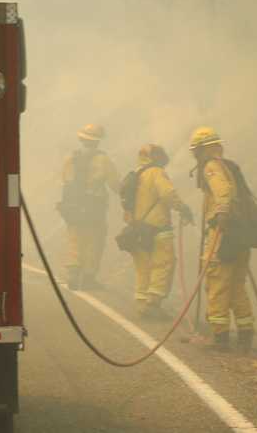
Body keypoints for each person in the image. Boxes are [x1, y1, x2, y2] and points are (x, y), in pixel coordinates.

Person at [189, 126, 255, 353]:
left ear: (200, 149)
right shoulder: (228, 166)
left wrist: (221, 215)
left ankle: (220, 338)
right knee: (237, 286)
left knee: (217, 284)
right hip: (239, 235)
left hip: (223, 235)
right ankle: (245, 337)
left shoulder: (211, 167)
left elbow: (223, 191)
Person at [125, 144, 193, 319]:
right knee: (164, 264)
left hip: (137, 230)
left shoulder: (135, 175)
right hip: (157, 229)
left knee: (143, 268)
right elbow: (167, 193)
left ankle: (142, 304)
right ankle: (153, 304)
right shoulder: (156, 172)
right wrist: (183, 208)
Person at [57, 124, 120, 291]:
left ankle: (73, 271)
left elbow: (64, 180)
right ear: (98, 141)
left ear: (81, 138)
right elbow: (115, 184)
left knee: (74, 238)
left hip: (72, 205)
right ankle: (88, 277)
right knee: (94, 239)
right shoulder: (103, 160)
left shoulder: (70, 158)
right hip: (94, 207)